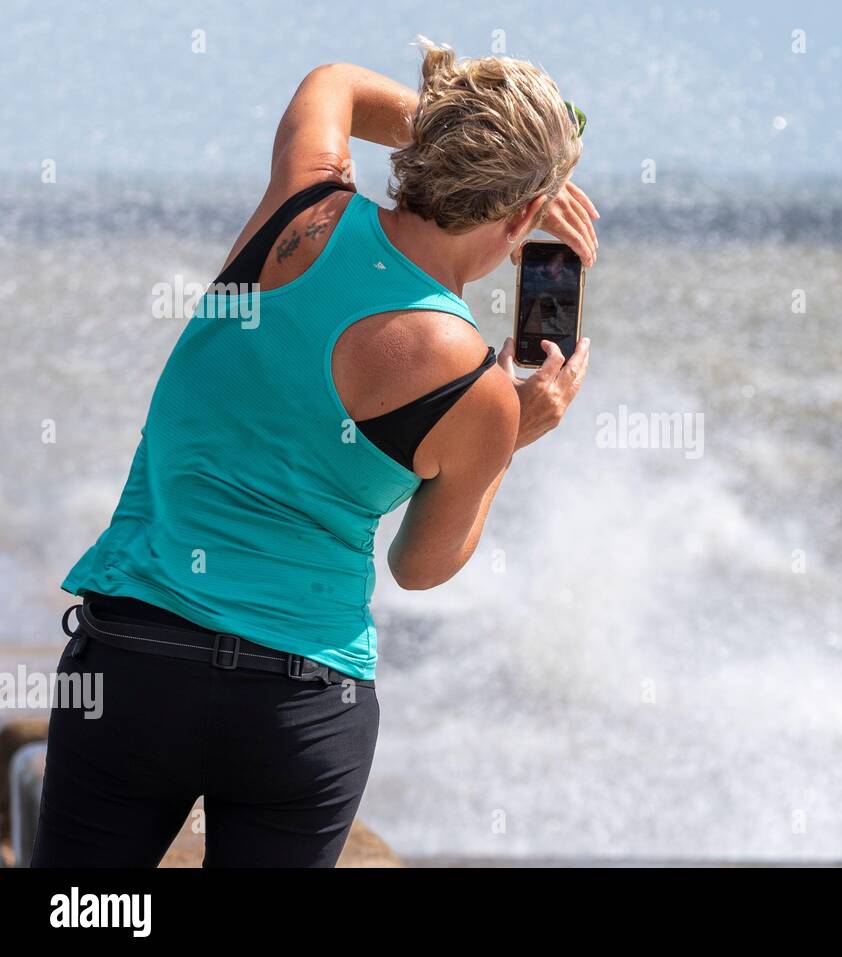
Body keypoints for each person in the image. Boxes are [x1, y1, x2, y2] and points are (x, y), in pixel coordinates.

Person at [31, 39, 597, 867]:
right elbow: (421, 563)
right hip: (299, 704)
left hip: (134, 665)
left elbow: (332, 82)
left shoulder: (302, 211)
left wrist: (468, 139)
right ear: (522, 216)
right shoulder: (480, 392)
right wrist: (511, 434)